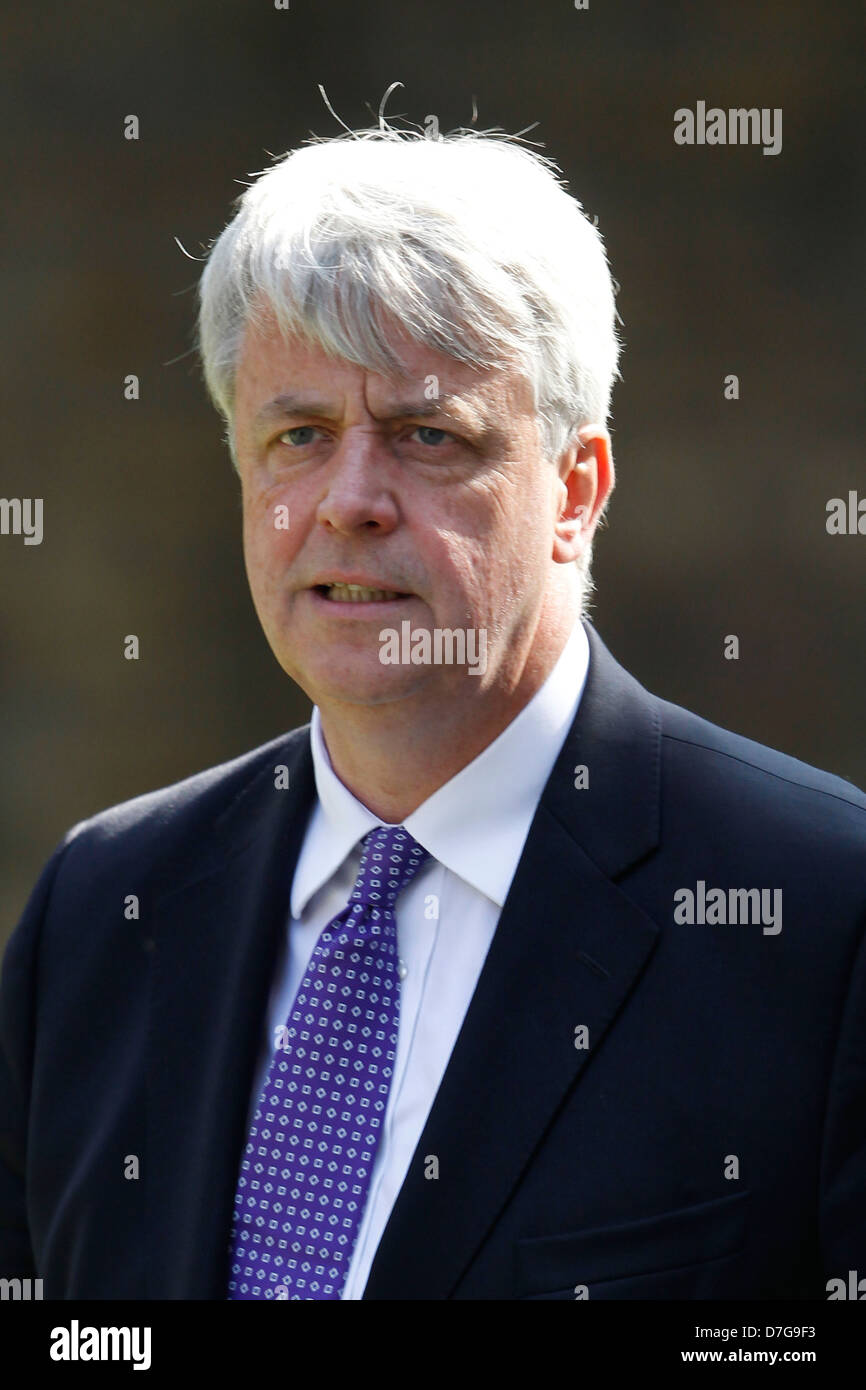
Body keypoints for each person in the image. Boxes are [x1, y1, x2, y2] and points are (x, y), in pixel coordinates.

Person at [1, 119, 864, 1302]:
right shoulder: (102, 910)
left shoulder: (818, 917)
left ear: (574, 492)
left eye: (426, 436)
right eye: (297, 435)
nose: (348, 500)